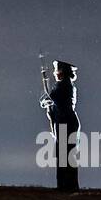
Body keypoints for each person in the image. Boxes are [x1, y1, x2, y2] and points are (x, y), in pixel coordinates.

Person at [41, 59, 81, 192]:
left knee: (67, 155)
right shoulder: (62, 85)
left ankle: (68, 185)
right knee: (63, 154)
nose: (54, 73)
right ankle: (65, 185)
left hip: (66, 121)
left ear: (62, 71)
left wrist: (47, 101)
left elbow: (51, 98)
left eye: (56, 70)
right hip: (63, 121)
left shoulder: (65, 85)